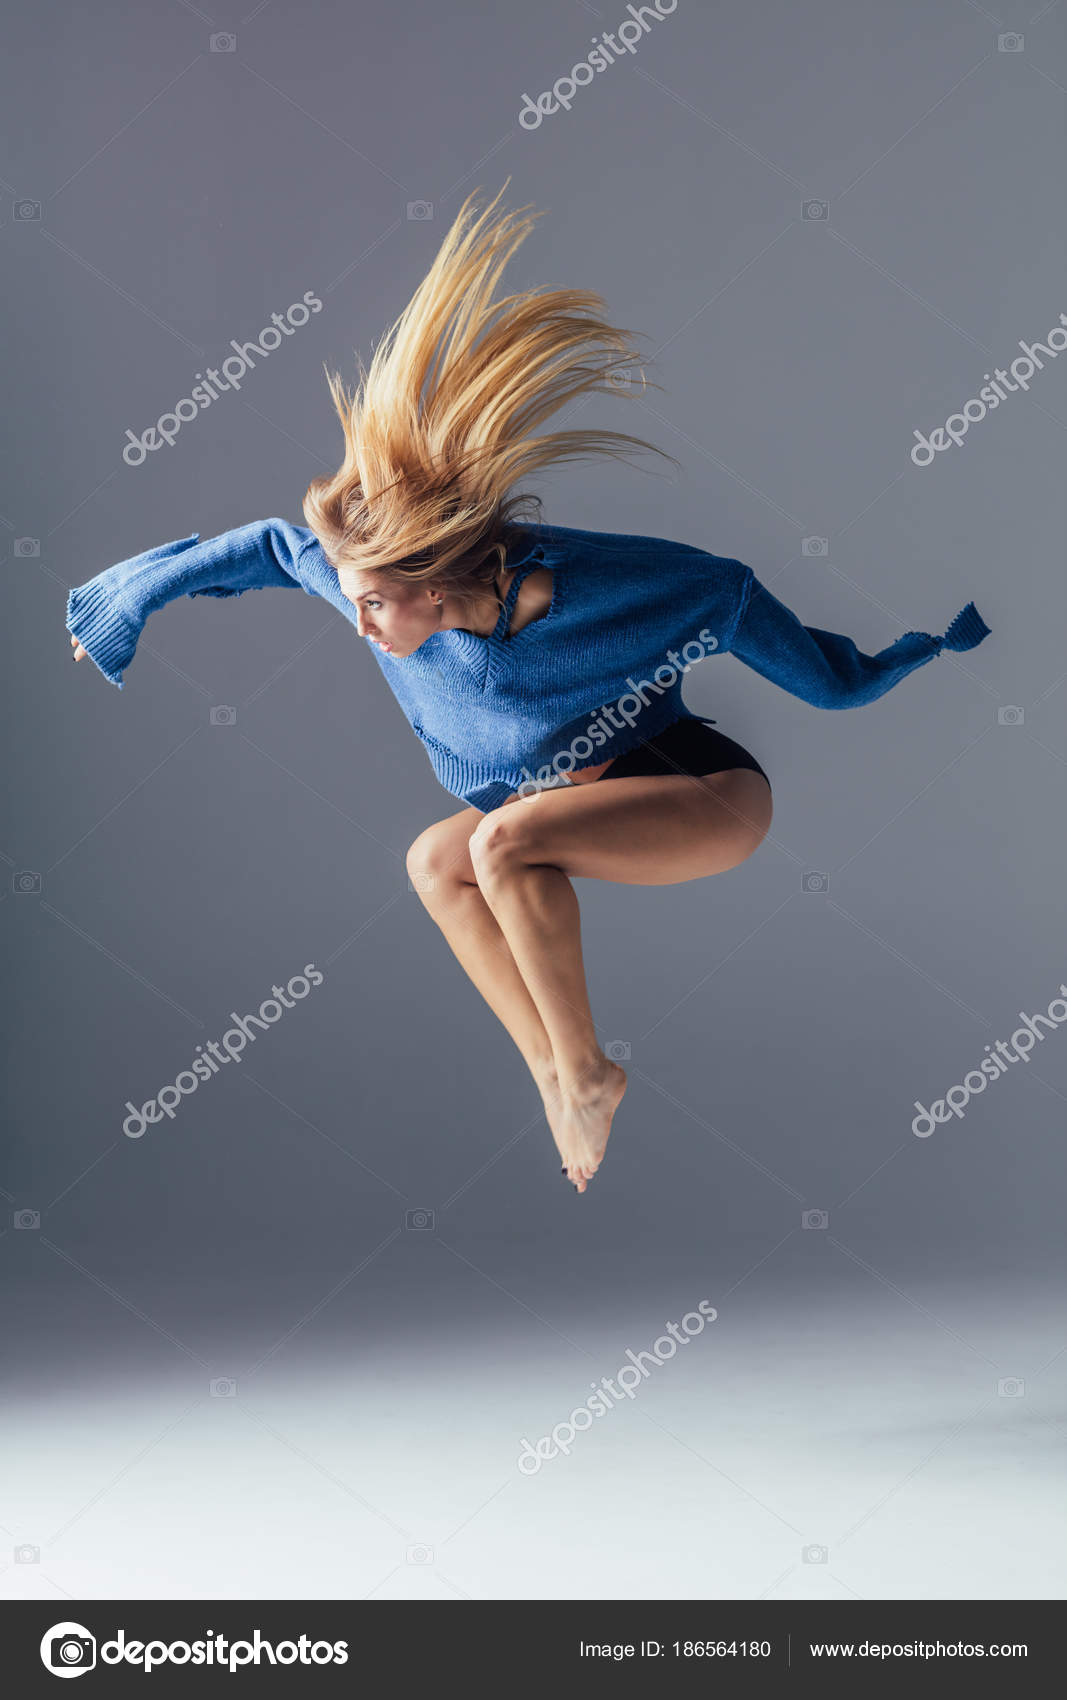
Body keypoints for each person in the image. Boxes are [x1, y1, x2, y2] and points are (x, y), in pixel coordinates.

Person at [67, 183, 991, 1193]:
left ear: (426, 584)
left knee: (505, 839)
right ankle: (558, 1069)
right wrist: (123, 604)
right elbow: (259, 550)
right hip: (577, 796)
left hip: (703, 792)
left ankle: (588, 1071)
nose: (361, 625)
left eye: (375, 604)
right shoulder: (374, 588)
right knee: (435, 860)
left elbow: (728, 592)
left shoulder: (591, 592)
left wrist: (877, 665)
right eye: (353, 601)